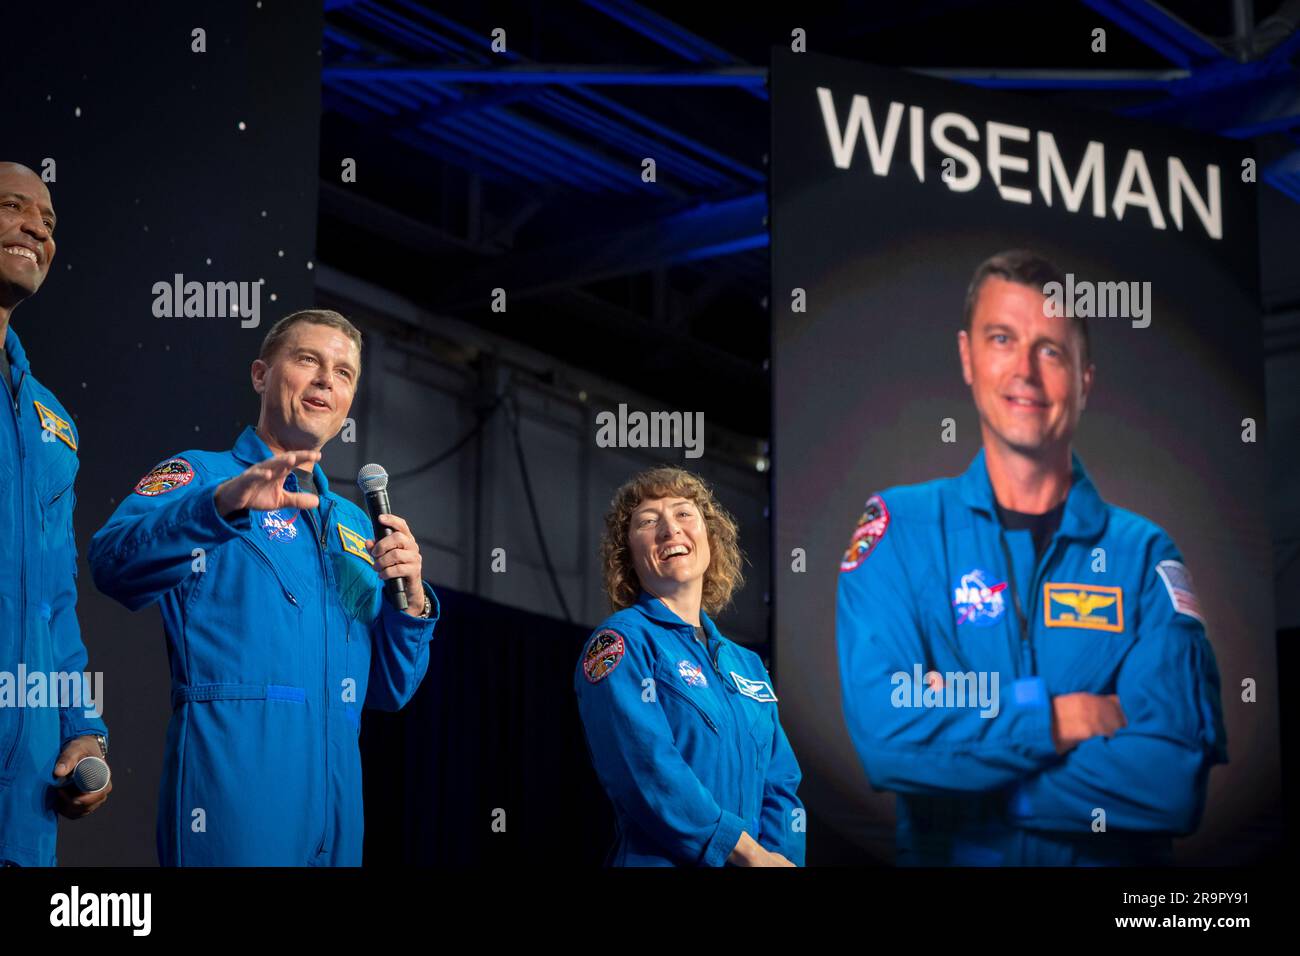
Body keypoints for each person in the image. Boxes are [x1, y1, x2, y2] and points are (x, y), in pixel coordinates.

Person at [836, 249, 1228, 866]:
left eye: (1051, 349)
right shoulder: (902, 531)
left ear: (1084, 379)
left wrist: (964, 777)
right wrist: (1058, 718)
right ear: (967, 356)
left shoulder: (1143, 557)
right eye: (1002, 338)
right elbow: (888, 739)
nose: (1026, 370)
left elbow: (1170, 782)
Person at [88, 308, 438, 866]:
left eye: (344, 372)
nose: (327, 379)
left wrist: (411, 604)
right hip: (235, 792)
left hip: (337, 804)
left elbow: (391, 689)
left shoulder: (350, 522)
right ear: (260, 375)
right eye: (308, 360)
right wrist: (219, 507)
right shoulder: (203, 477)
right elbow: (111, 562)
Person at [575, 466, 804, 866]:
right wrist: (746, 853)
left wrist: (779, 858)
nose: (670, 530)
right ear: (627, 555)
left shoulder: (747, 665)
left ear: (710, 538)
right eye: (648, 522)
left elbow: (780, 781)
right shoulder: (620, 642)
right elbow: (647, 770)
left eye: (684, 514)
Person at [0, 161, 111, 866]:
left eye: (46, 222)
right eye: (13, 207)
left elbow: (54, 602)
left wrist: (81, 726)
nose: (36, 229)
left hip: (25, 790)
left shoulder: (52, 422)